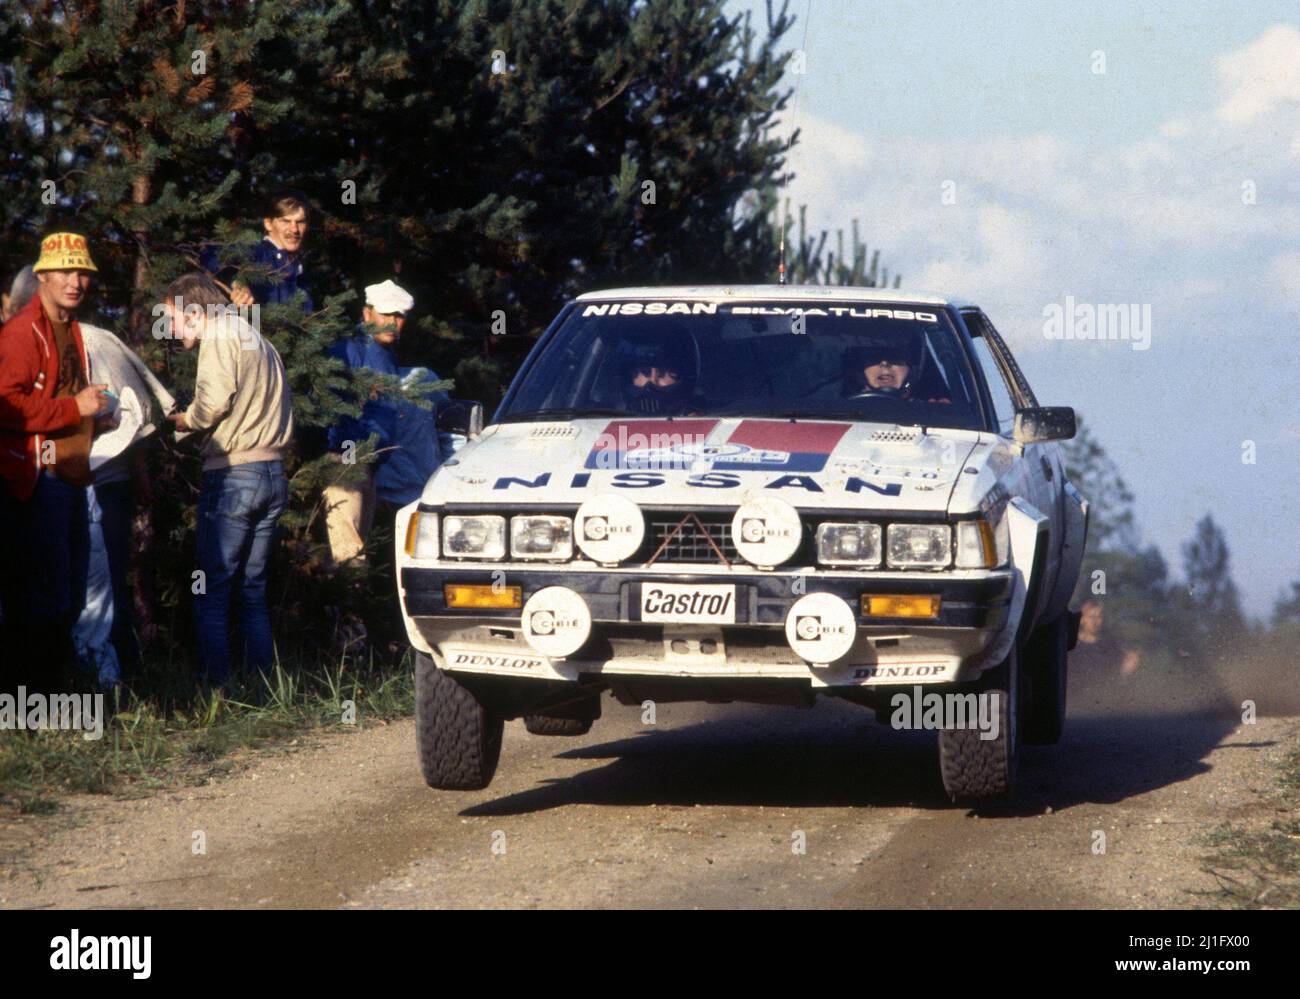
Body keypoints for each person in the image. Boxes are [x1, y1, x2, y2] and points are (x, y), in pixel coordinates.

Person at [161, 273, 294, 689]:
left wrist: (185, 421)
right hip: (273, 473)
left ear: (196, 312)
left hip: (235, 474)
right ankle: (263, 689)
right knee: (252, 591)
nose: (171, 328)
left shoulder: (219, 334)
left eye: (174, 318)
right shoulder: (256, 337)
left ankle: (214, 694)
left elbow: (213, 403)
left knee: (212, 592)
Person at [0, 233, 112, 694]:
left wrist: (96, 421)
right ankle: (33, 706)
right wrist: (75, 410)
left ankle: (46, 699)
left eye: (83, 271)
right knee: (43, 598)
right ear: (42, 276)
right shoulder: (22, 332)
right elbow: (5, 403)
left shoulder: (72, 331)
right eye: (65, 271)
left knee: (65, 597)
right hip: (38, 481)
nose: (76, 281)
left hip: (71, 480)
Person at [324, 279, 452, 567]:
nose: (392, 323)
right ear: (367, 314)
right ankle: (346, 605)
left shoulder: (387, 355)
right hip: (347, 462)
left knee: (357, 548)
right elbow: (325, 399)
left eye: (399, 316)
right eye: (386, 314)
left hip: (370, 465)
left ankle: (349, 606)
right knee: (348, 553)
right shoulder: (349, 349)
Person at [203, 188, 314, 310]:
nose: (294, 229)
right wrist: (238, 283)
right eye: (286, 221)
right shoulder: (256, 251)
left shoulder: (301, 266)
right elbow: (211, 255)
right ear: (268, 224)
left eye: (300, 222)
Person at [620, 341, 697, 416]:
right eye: (645, 372)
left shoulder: (700, 421)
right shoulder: (615, 422)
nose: (652, 382)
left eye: (662, 373)